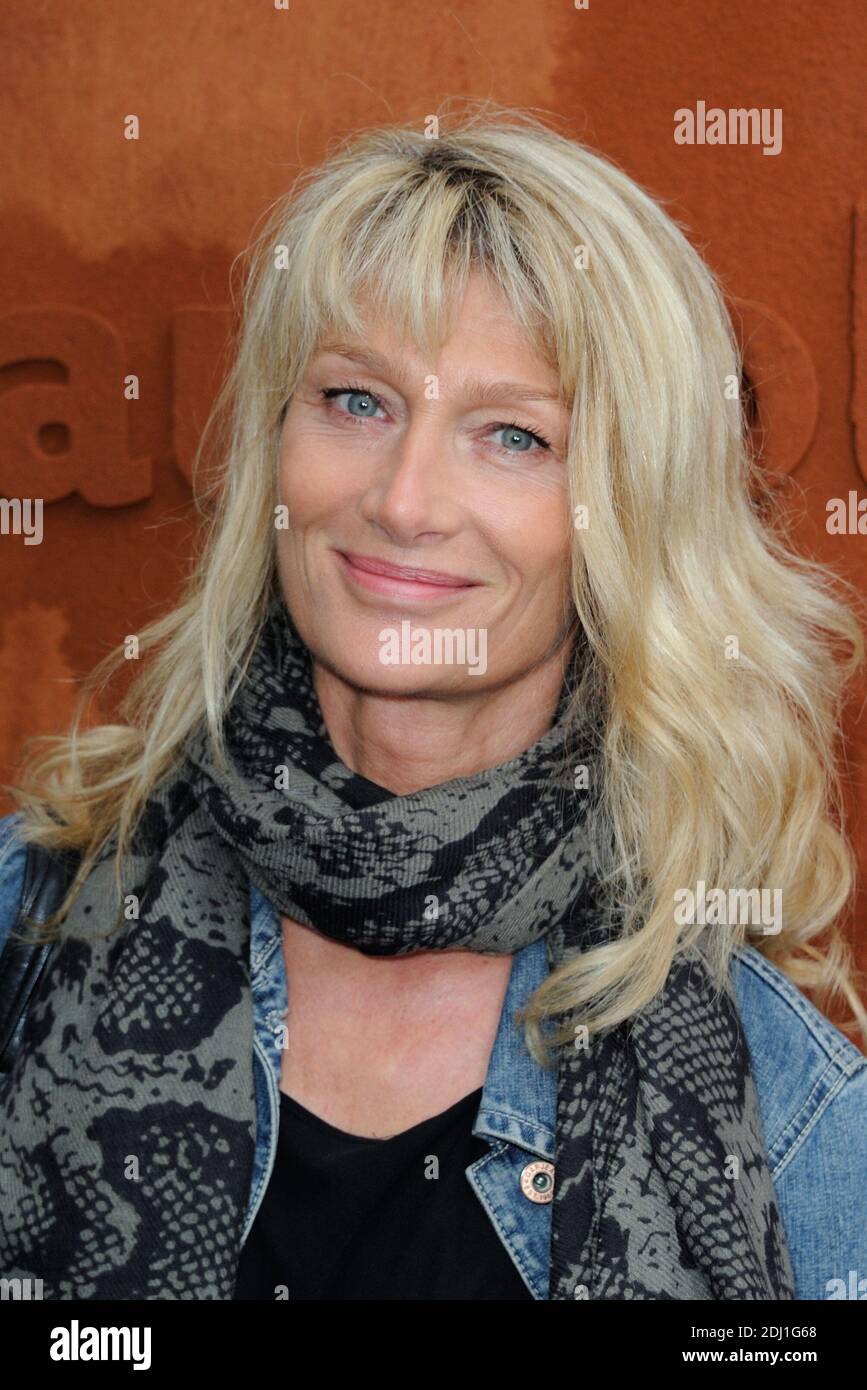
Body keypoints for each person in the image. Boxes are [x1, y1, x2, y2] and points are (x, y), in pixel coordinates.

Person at [0, 105, 865, 1302]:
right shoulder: (25, 929)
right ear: (274, 452)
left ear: (629, 517)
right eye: (357, 401)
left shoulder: (801, 1119)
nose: (406, 500)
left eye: (514, 435)